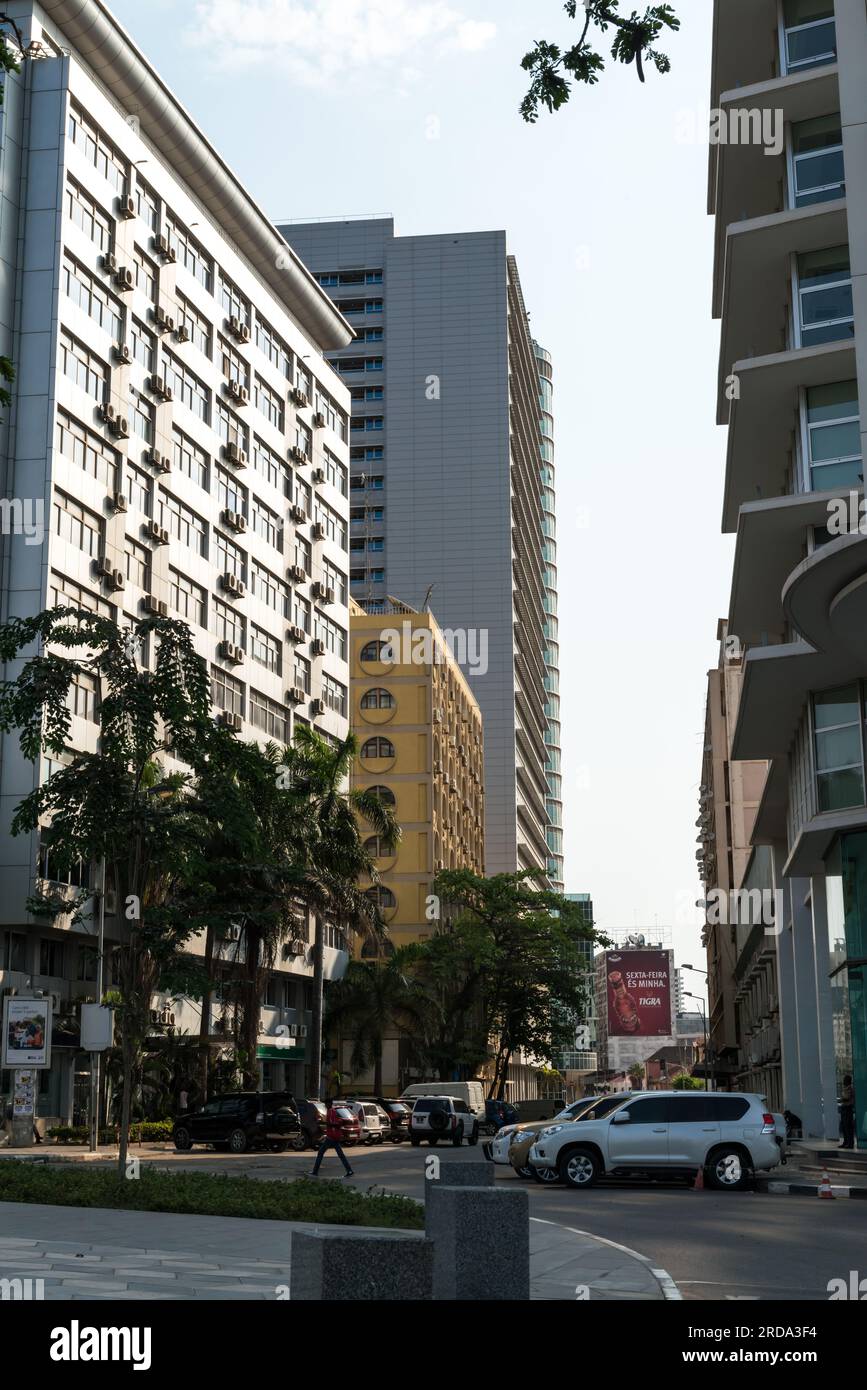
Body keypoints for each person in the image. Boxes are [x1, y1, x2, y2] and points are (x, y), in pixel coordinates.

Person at [308, 1101, 354, 1178]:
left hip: (331, 1137)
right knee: (340, 1155)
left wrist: (325, 1123)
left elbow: (332, 1123)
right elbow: (336, 1122)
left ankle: (315, 1171)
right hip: (335, 1136)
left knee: (320, 1153)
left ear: (328, 1104)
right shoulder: (333, 1111)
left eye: (326, 1104)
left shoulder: (330, 1111)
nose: (326, 1105)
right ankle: (349, 1170)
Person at [840, 1074, 856, 1150]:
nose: (843, 1081)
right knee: (844, 1126)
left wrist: (843, 1099)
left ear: (848, 1081)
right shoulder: (845, 1088)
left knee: (848, 1127)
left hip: (848, 1108)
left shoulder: (850, 1089)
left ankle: (850, 1143)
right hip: (844, 1109)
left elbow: (846, 1098)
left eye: (845, 1080)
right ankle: (846, 1142)